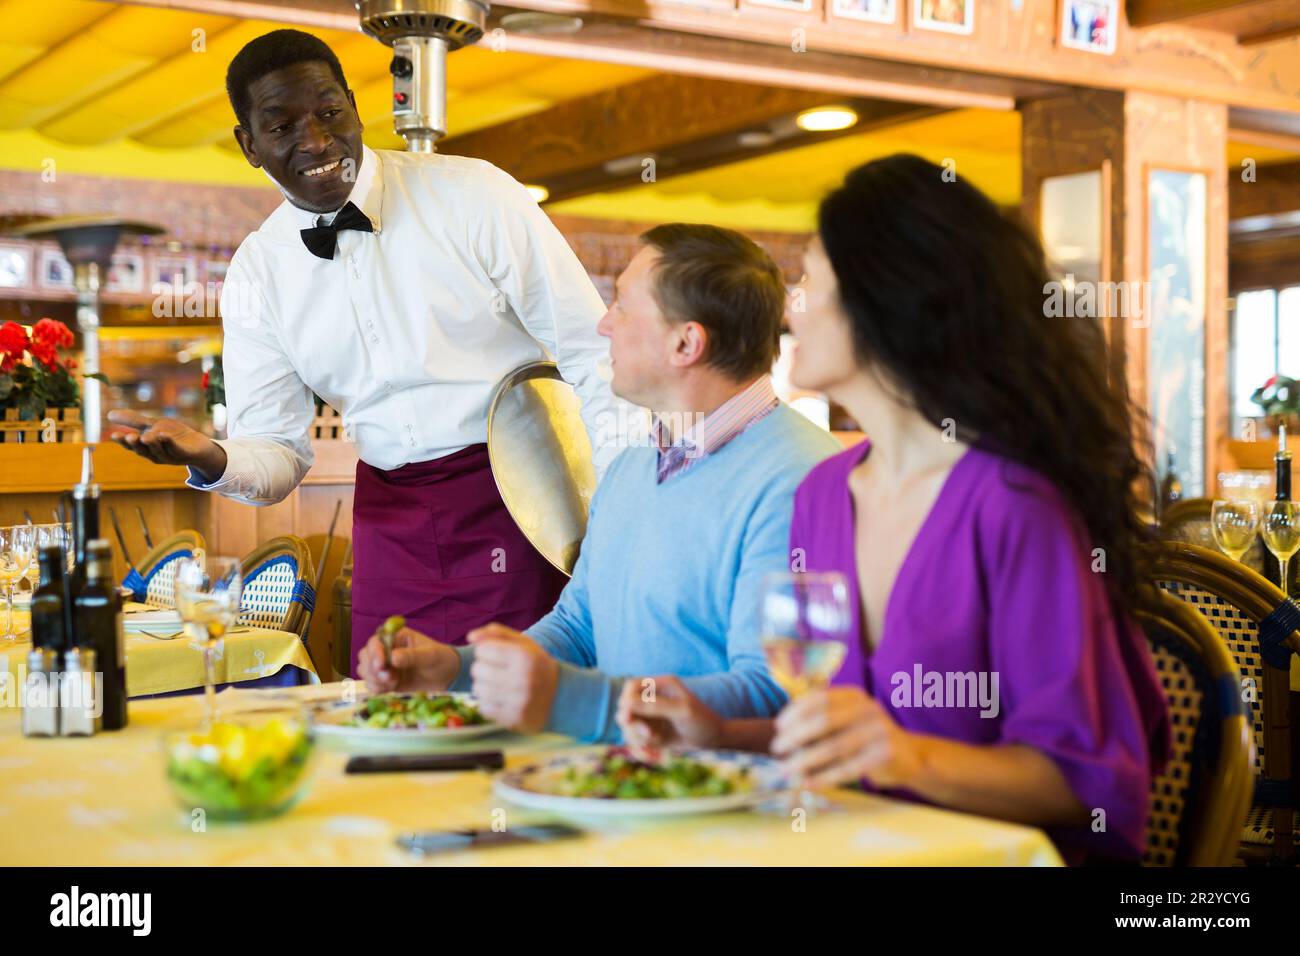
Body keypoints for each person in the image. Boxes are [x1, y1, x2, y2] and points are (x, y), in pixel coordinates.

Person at [617, 155, 1171, 865]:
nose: (791, 308)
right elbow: (834, 733)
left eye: (812, 280)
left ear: (884, 300)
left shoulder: (1014, 506)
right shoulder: (823, 495)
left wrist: (905, 756)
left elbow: (1091, 786)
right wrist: (722, 734)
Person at [105, 30, 625, 675]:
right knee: (390, 715)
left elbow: (592, 354)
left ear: (355, 105)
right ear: (249, 145)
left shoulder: (475, 195)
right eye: (282, 125)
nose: (316, 141)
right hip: (391, 520)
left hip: (523, 502)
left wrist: (617, 511)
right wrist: (211, 457)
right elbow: (278, 454)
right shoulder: (258, 270)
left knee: (526, 709)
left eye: (329, 113)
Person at [359, 223, 841, 740]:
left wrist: (566, 697)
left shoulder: (803, 480)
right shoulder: (635, 464)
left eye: (623, 306)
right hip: (615, 785)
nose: (603, 325)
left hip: (723, 805)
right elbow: (577, 629)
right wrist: (456, 670)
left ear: (686, 342)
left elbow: (772, 692)